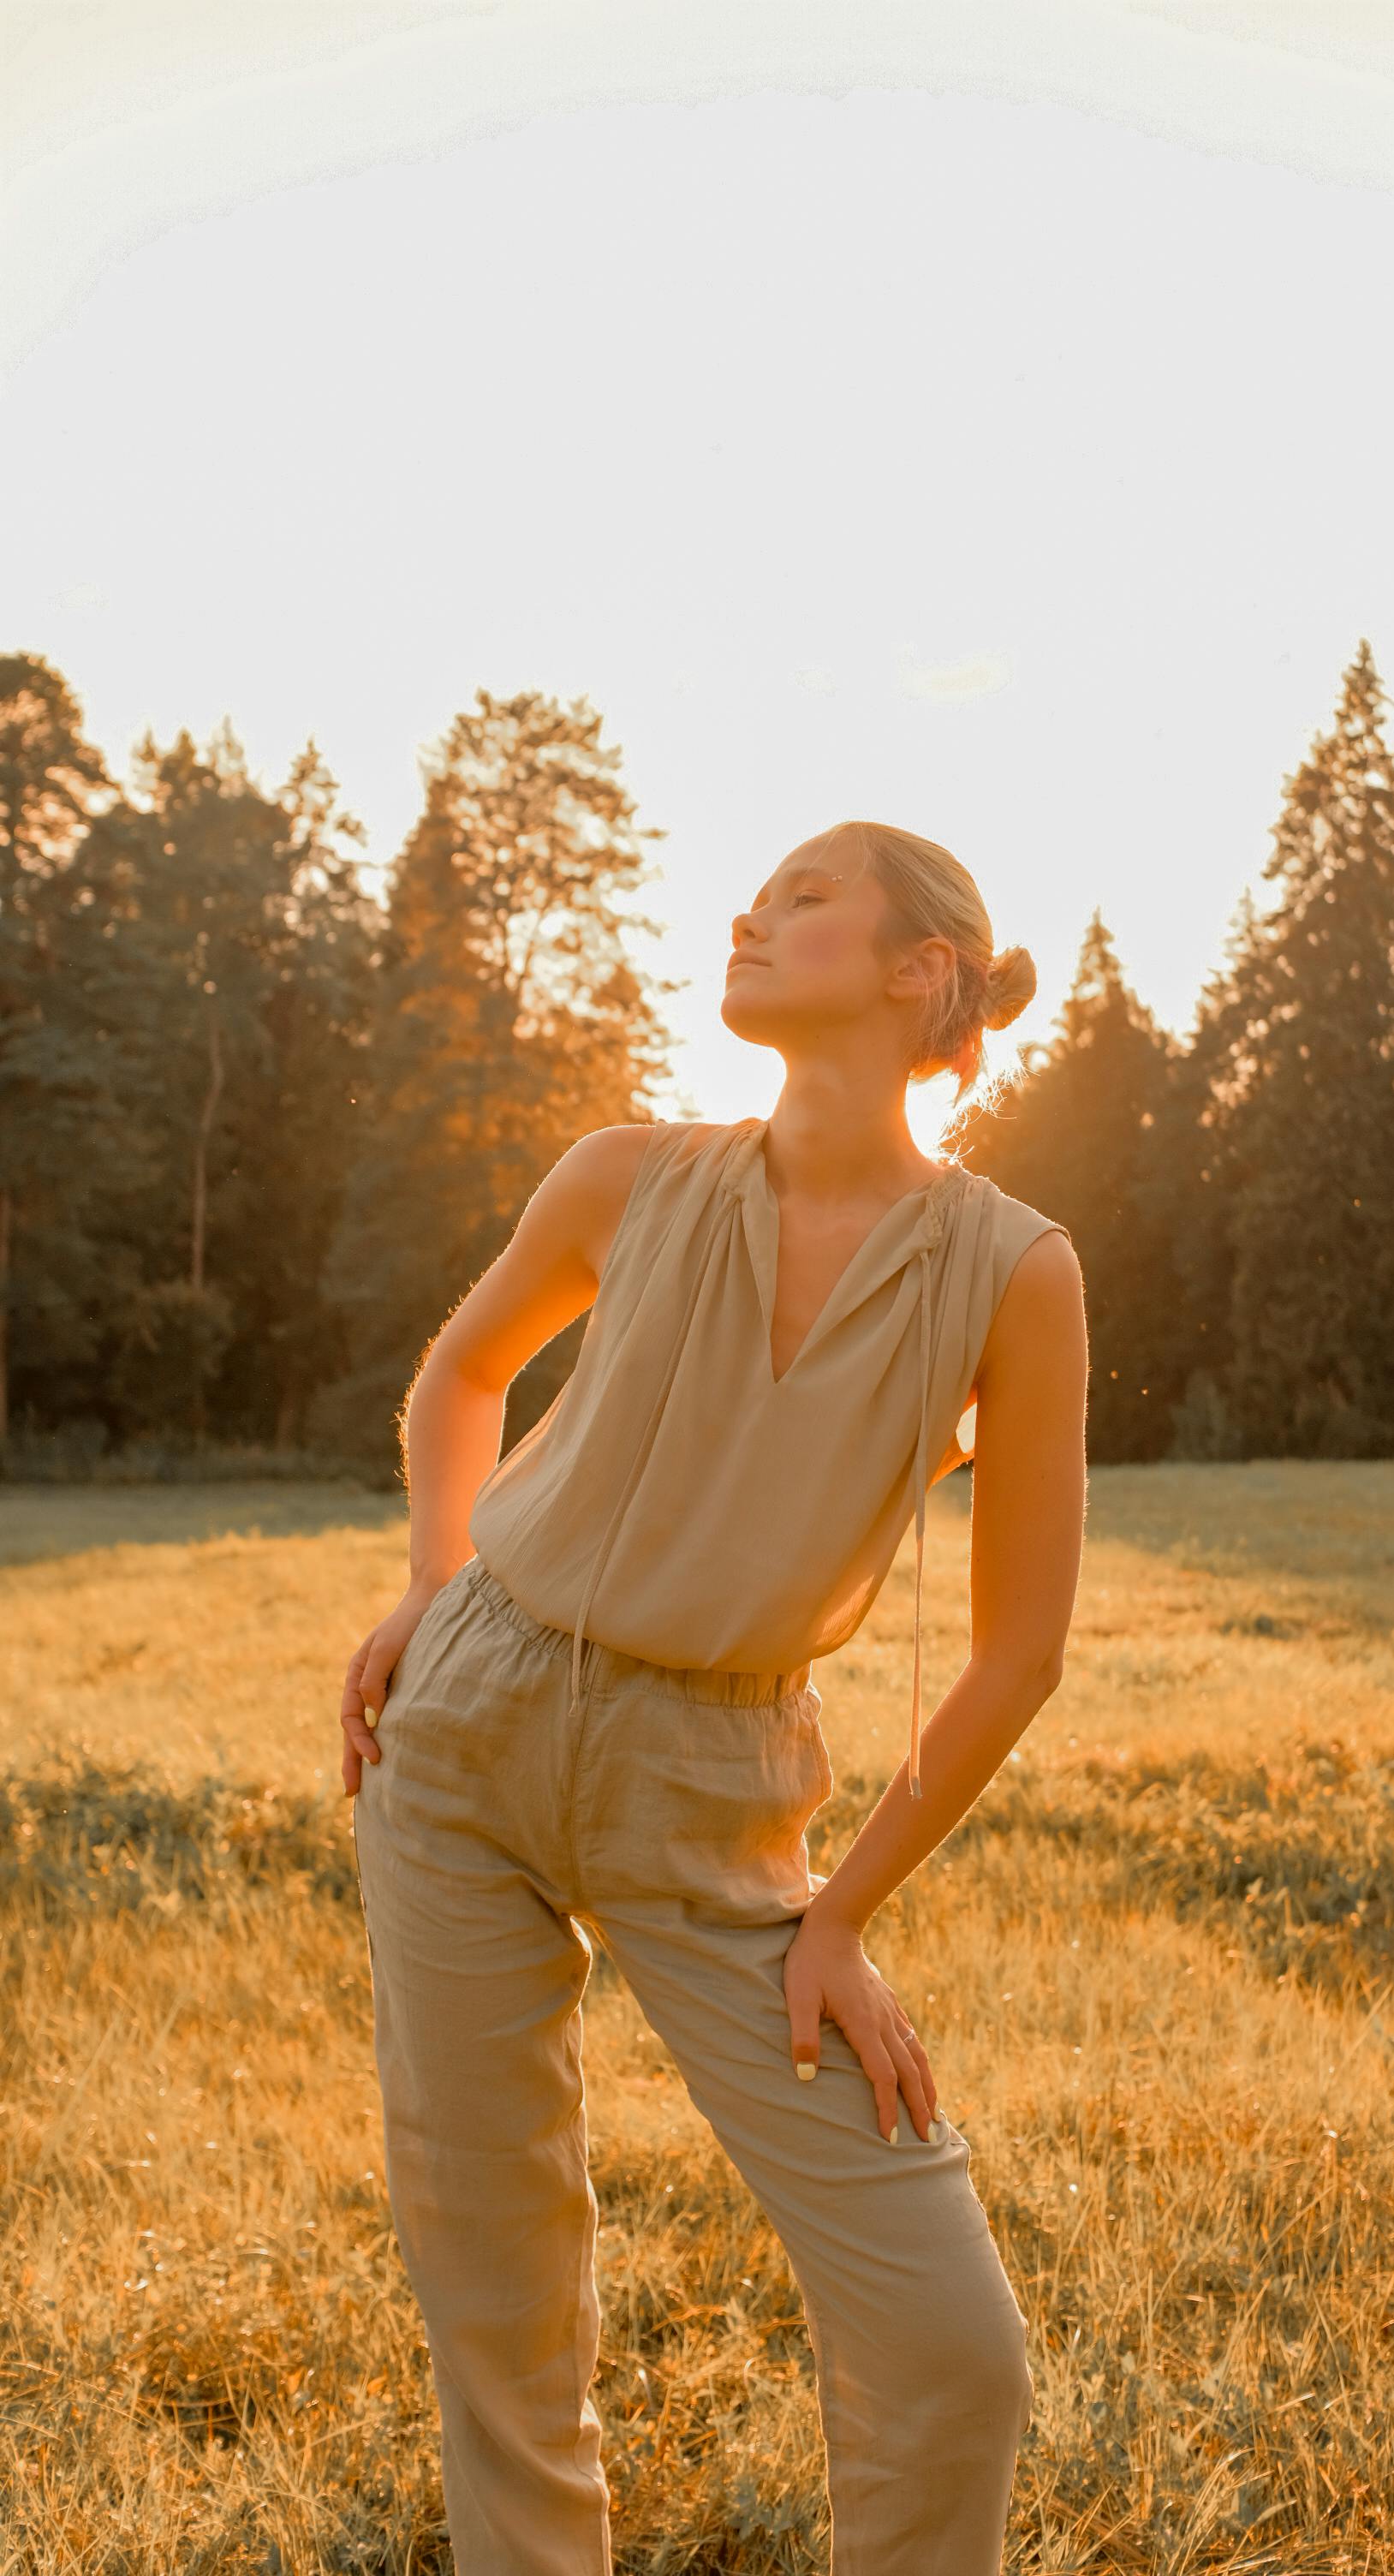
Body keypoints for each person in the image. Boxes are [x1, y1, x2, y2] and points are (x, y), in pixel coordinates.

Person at [338, 816, 1089, 2575]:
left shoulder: (1011, 1268)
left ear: (920, 973)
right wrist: (435, 1595)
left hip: (716, 1783)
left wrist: (841, 1911)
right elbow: (462, 1376)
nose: (752, 912)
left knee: (948, 2339)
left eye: (806, 896)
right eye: (758, 894)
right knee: (495, 2276)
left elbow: (1018, 1649)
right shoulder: (624, 1173)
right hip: (458, 1737)